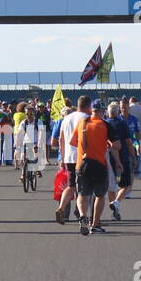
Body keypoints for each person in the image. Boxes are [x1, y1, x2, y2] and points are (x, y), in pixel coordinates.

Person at [73, 98, 116, 235]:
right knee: (99, 195)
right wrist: (106, 144)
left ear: (92, 110)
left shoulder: (82, 123)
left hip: (82, 165)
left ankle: (82, 215)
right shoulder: (106, 125)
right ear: (103, 111)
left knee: (82, 195)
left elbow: (73, 142)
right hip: (99, 165)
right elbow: (117, 145)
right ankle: (95, 224)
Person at [53, 96, 90, 224]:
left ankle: (61, 208)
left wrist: (62, 158)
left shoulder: (66, 118)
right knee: (84, 188)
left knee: (71, 186)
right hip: (82, 157)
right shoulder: (86, 118)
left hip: (68, 157)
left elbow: (61, 139)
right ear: (88, 106)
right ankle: (82, 214)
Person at [105, 101, 135, 221]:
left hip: (107, 157)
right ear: (118, 112)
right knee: (126, 184)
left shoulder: (105, 123)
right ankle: (116, 203)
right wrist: (134, 157)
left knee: (112, 186)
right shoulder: (122, 124)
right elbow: (128, 142)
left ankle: (114, 210)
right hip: (122, 156)